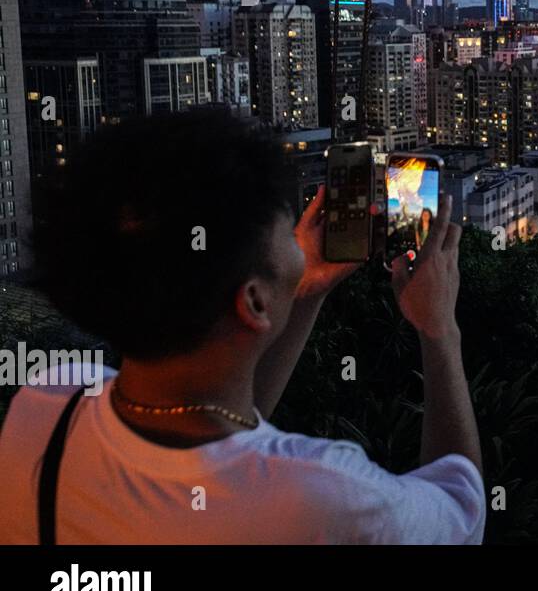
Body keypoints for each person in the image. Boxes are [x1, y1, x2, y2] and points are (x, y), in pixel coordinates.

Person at [0, 108, 484, 544]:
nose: (300, 244)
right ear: (251, 301)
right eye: (287, 232)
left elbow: (223, 422)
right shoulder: (324, 496)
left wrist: (298, 294)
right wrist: (439, 329)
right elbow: (462, 508)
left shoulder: (46, 408)